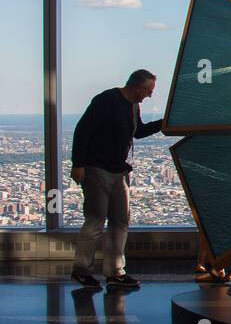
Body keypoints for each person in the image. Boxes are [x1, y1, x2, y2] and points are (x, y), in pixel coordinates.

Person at [69, 69, 164, 290]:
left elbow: (138, 132)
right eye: (149, 91)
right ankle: (82, 269)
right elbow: (82, 131)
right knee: (95, 220)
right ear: (138, 87)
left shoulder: (132, 105)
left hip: (118, 171)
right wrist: (78, 164)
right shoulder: (106, 100)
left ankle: (115, 271)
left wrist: (163, 123)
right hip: (97, 168)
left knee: (120, 221)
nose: (149, 96)